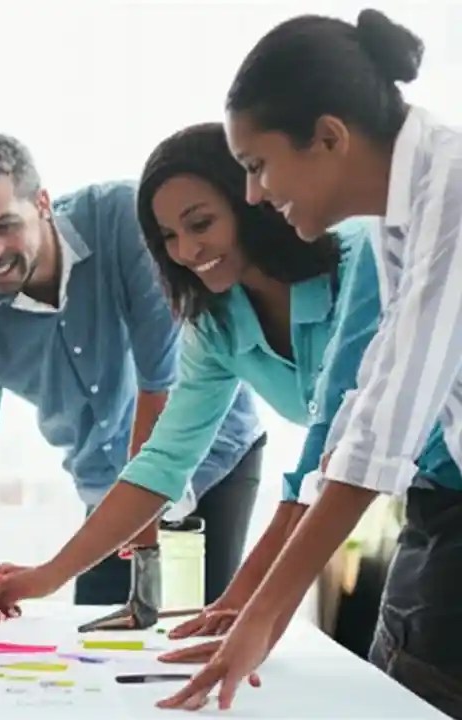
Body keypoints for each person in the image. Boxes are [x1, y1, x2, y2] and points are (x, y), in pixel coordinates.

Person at [160, 10, 462, 717]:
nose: (256, 194)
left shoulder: (451, 190)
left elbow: (389, 422)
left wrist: (264, 615)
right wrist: (253, 605)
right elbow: (366, 395)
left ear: (329, 137)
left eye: (257, 166)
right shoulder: (401, 207)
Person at [0, 124, 382, 635]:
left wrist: (245, 612)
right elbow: (162, 462)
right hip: (423, 493)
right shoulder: (216, 322)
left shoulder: (360, 261)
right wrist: (47, 576)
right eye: (168, 237)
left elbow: (327, 458)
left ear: (250, 200)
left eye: (200, 223)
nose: (186, 249)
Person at [0, 132, 265, 620]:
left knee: (202, 637)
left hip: (212, 454)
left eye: (4, 225)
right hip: (111, 491)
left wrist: (139, 561)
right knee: (98, 661)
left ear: (42, 203)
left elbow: (160, 391)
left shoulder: (124, 223)